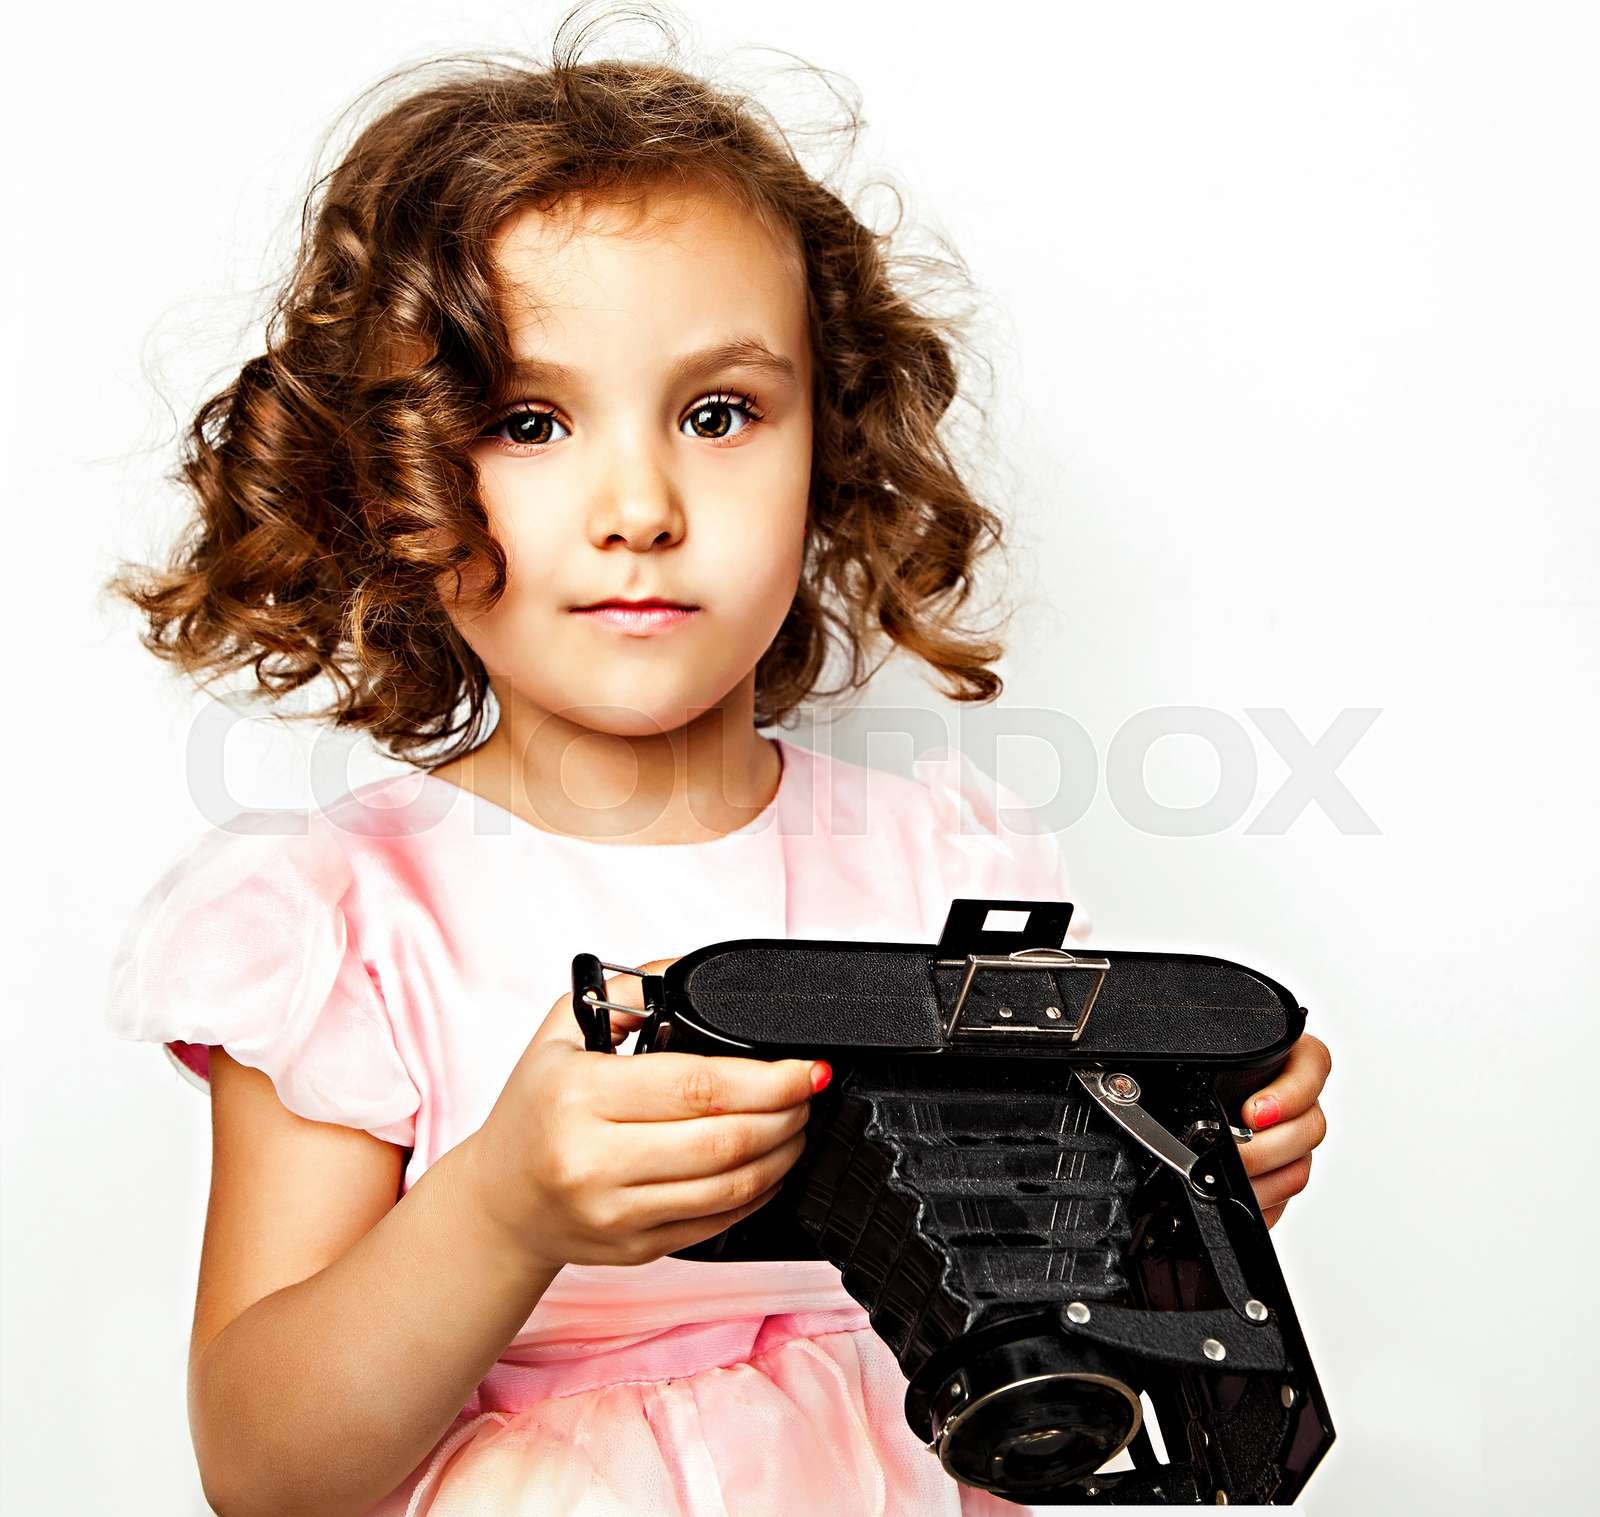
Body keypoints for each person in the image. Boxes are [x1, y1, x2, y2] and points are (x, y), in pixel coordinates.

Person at [102, 8, 1331, 1515]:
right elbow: (264, 1470)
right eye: (529, 421)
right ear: (390, 474)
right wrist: (499, 1215)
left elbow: (1050, 1353)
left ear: (832, 445)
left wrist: (1177, 1205)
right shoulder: (337, 924)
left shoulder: (945, 865)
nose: (640, 506)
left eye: (718, 413)